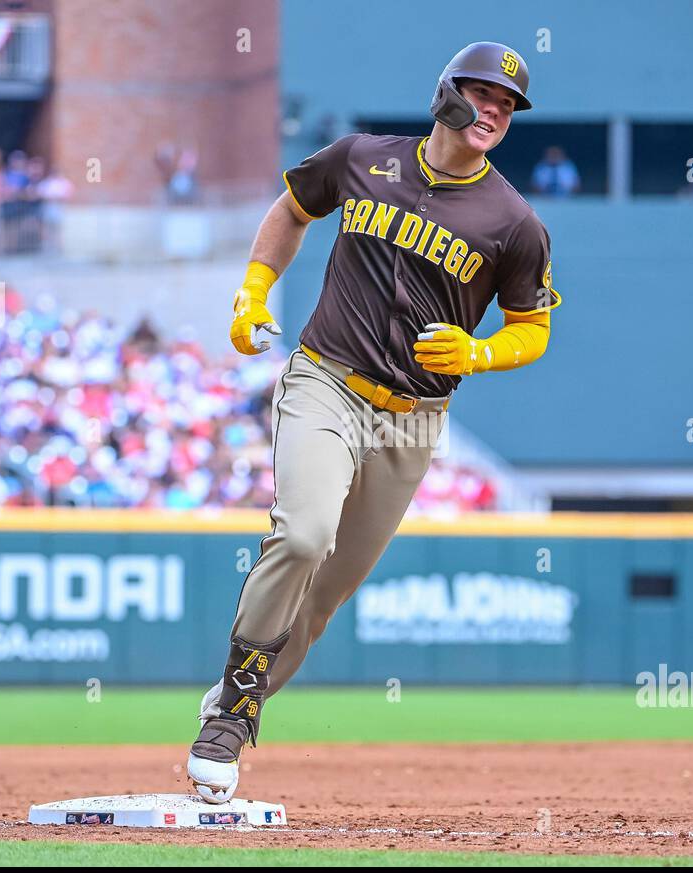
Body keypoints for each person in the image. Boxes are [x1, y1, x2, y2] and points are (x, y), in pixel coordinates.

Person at [185, 41, 562, 803]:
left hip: (415, 420)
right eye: (483, 95)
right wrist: (252, 291)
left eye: (508, 106)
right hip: (329, 381)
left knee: (321, 606)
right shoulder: (361, 158)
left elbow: (533, 326)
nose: (494, 111)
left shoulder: (514, 222)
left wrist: (480, 352)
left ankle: (236, 698)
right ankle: (231, 719)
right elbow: (293, 208)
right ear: (446, 93)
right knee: (303, 533)